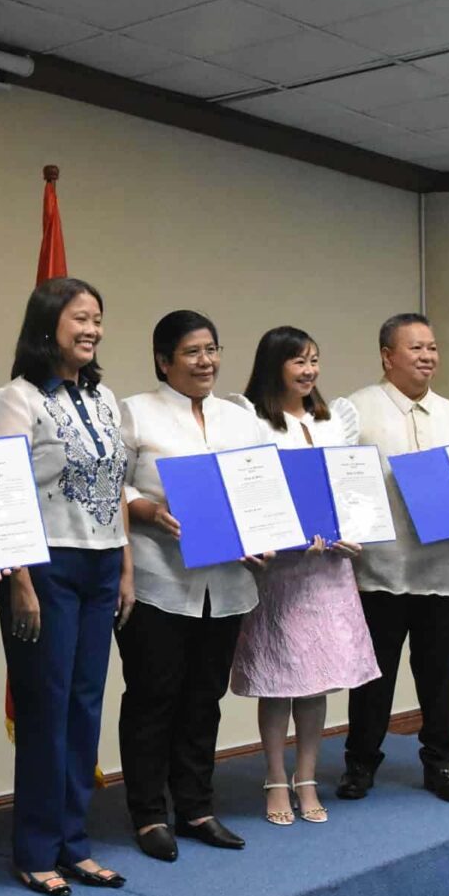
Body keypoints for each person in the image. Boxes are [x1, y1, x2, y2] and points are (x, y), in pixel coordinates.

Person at [0, 277, 132, 896]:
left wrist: (126, 568)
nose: (92, 329)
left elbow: (118, 487)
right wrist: (18, 578)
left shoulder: (107, 399)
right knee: (46, 710)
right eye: (81, 317)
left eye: (98, 318)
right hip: (45, 567)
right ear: (49, 324)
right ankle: (35, 848)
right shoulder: (16, 398)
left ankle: (76, 843)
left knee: (85, 706)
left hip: (102, 567)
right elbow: (6, 489)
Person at [116, 311, 268, 862]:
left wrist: (268, 531)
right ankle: (149, 814)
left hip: (226, 582)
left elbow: (260, 486)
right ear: (164, 360)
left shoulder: (239, 417)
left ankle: (198, 807)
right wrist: (150, 510)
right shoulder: (135, 412)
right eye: (192, 352)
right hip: (159, 579)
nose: (206, 362)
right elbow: (112, 485)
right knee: (153, 698)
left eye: (212, 349)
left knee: (205, 698)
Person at [338, 314, 449, 805]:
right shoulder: (353, 411)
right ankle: (360, 764)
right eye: (416, 348)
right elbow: (334, 479)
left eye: (432, 347)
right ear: (387, 355)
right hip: (378, 570)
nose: (428, 356)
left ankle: (443, 764)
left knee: (439, 675)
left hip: (444, 572)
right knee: (373, 677)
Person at [230, 326, 380, 827]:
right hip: (283, 571)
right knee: (280, 677)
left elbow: (351, 486)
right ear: (274, 365)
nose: (309, 370)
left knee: (316, 680)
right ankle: (275, 777)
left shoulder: (334, 417)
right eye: (298, 361)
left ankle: (308, 776)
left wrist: (354, 530)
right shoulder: (252, 421)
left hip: (330, 567)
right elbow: (251, 489)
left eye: (314, 360)